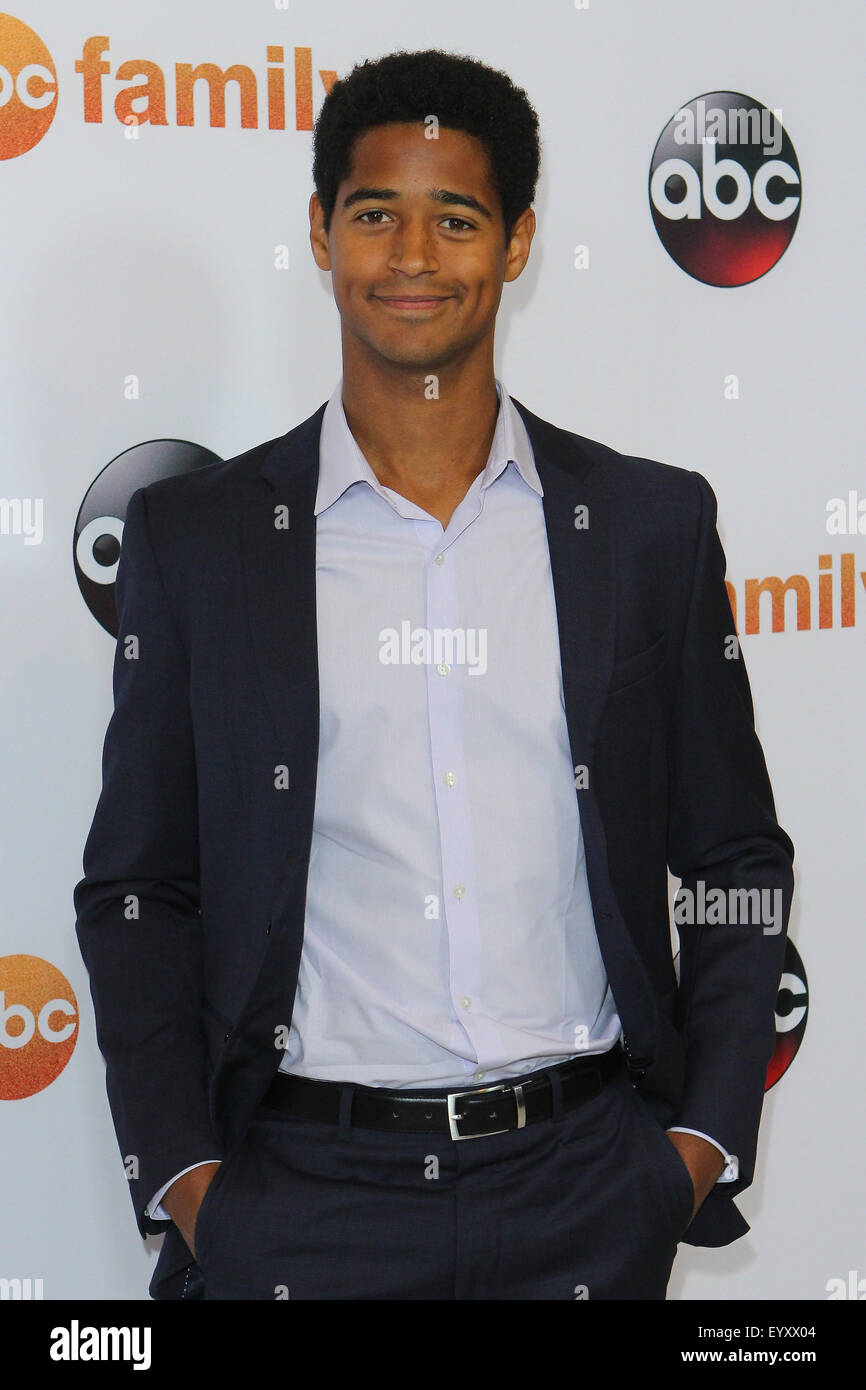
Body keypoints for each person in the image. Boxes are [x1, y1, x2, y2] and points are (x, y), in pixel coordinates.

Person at [74, 48, 795, 1301]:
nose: (413, 255)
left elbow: (732, 862)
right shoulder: (198, 543)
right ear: (319, 231)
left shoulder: (646, 527)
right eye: (375, 214)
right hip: (296, 1197)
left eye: (454, 218)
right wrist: (190, 1180)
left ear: (515, 244)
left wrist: (697, 1141)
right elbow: (139, 884)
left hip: (585, 1189)